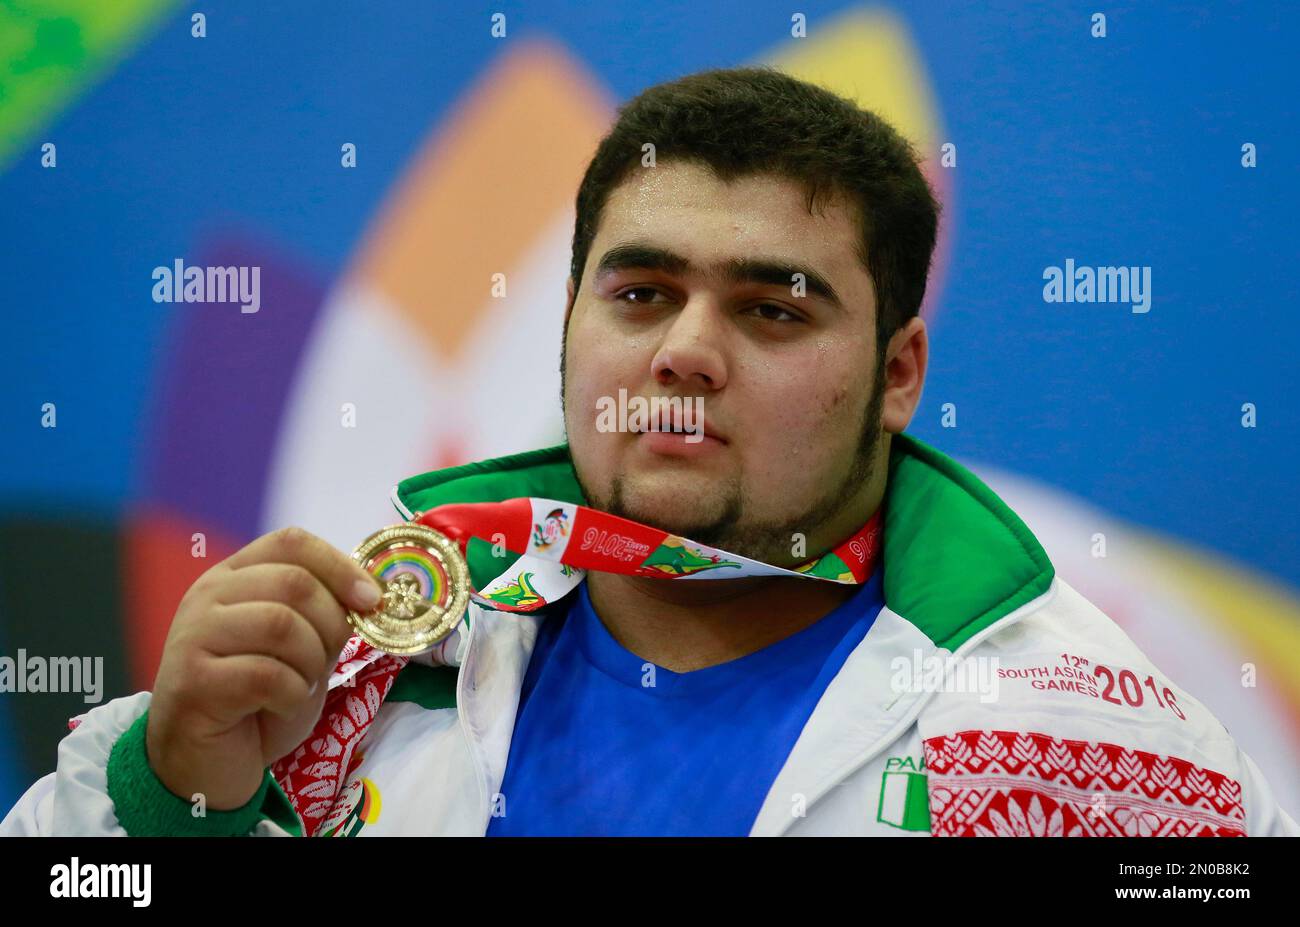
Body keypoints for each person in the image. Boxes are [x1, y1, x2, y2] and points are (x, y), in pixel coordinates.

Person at [3, 67, 1295, 837]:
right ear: (569, 329)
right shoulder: (349, 662)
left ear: (898, 374)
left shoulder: (1104, 744)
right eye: (639, 293)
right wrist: (176, 794)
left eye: (771, 309)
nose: (683, 350)